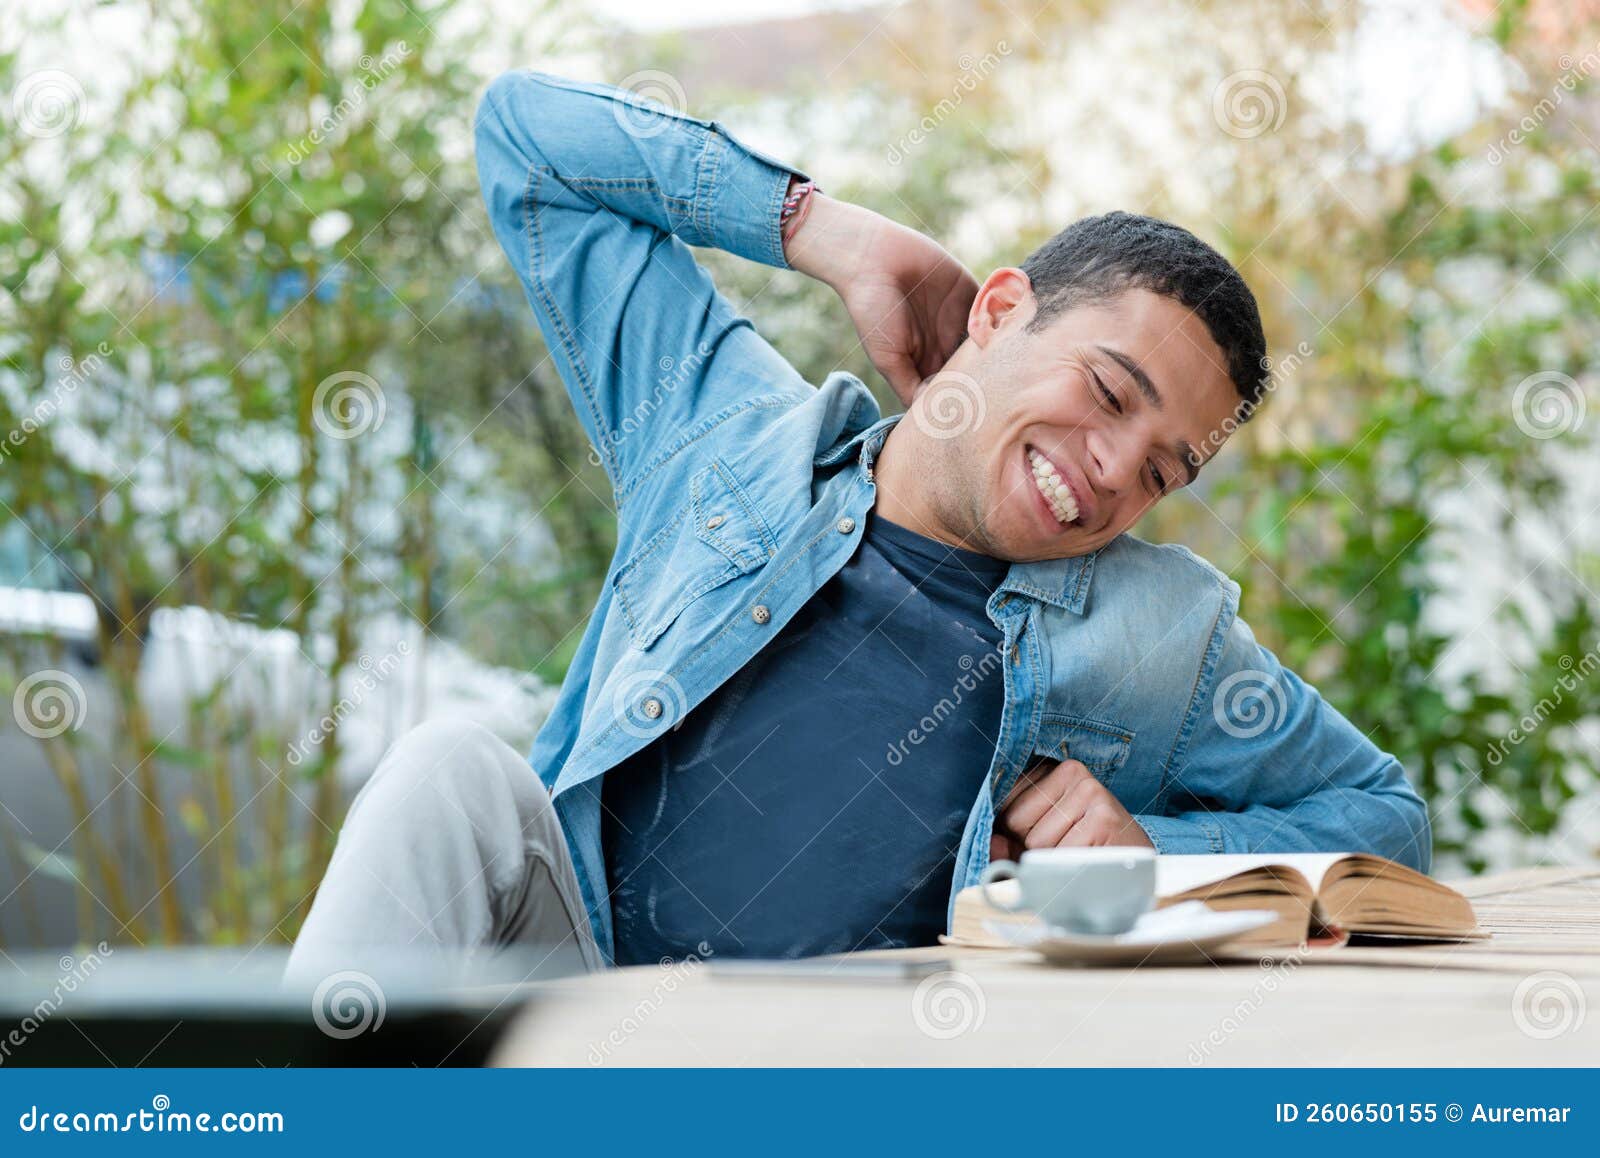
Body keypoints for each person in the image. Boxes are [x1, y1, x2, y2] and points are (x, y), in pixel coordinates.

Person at [287, 70, 1430, 977]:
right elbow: (527, 139)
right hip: (575, 1007)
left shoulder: (1162, 636)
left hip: (846, 1082)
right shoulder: (722, 434)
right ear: (1000, 310)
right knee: (448, 770)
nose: (1112, 471)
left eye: (1162, 470)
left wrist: (1153, 854)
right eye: (1107, 393)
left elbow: (1386, 818)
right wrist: (819, 231)